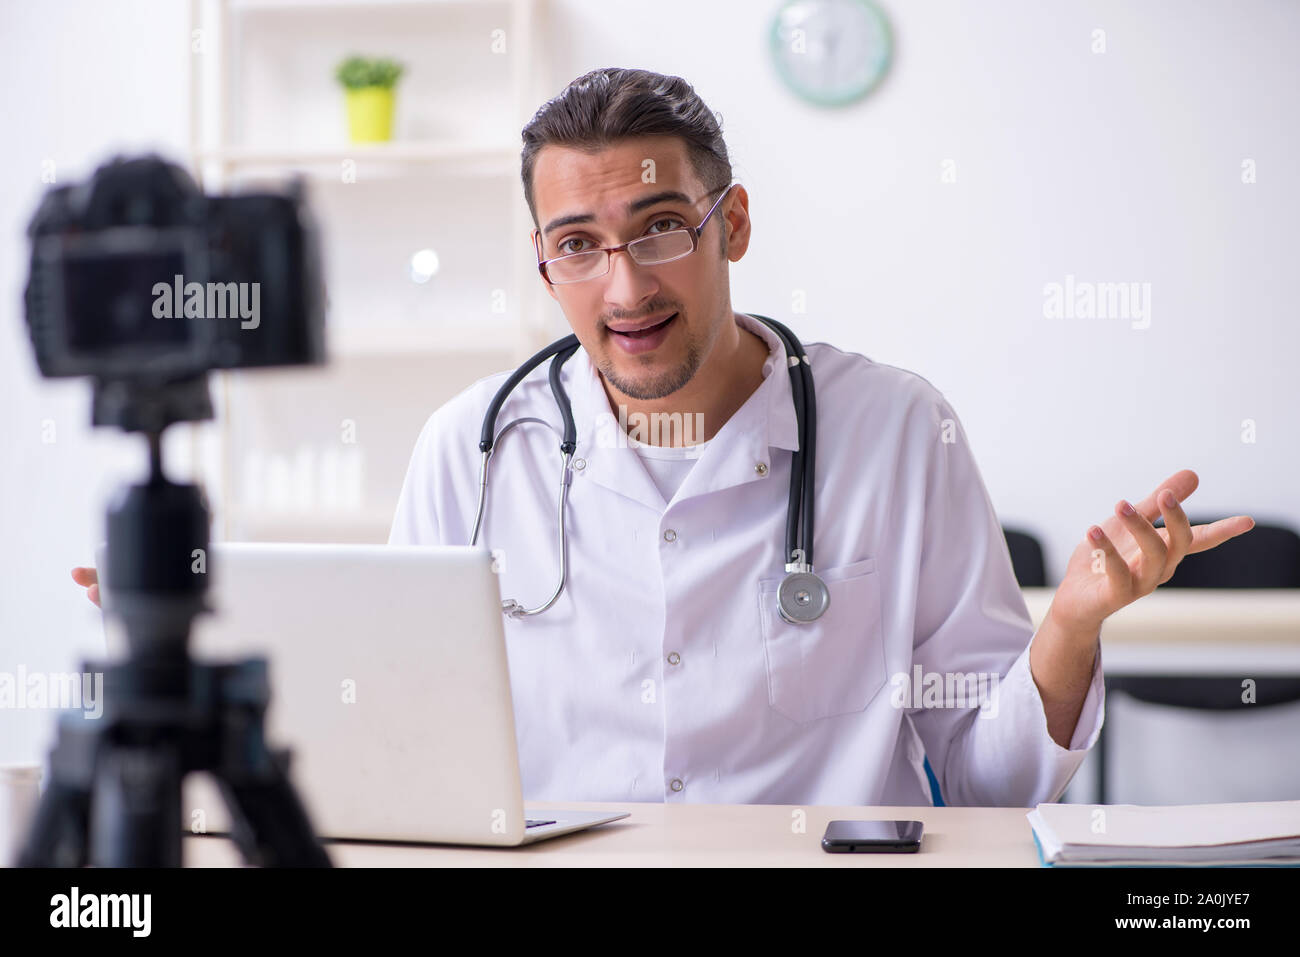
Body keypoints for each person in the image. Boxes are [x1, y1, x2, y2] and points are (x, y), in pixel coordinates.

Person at [73, 67, 1255, 808]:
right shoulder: (471, 451)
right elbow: (398, 750)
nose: (623, 282)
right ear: (543, 262)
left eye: (658, 227)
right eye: (577, 243)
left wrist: (1067, 628)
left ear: (730, 221)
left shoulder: (899, 433)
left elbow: (991, 784)